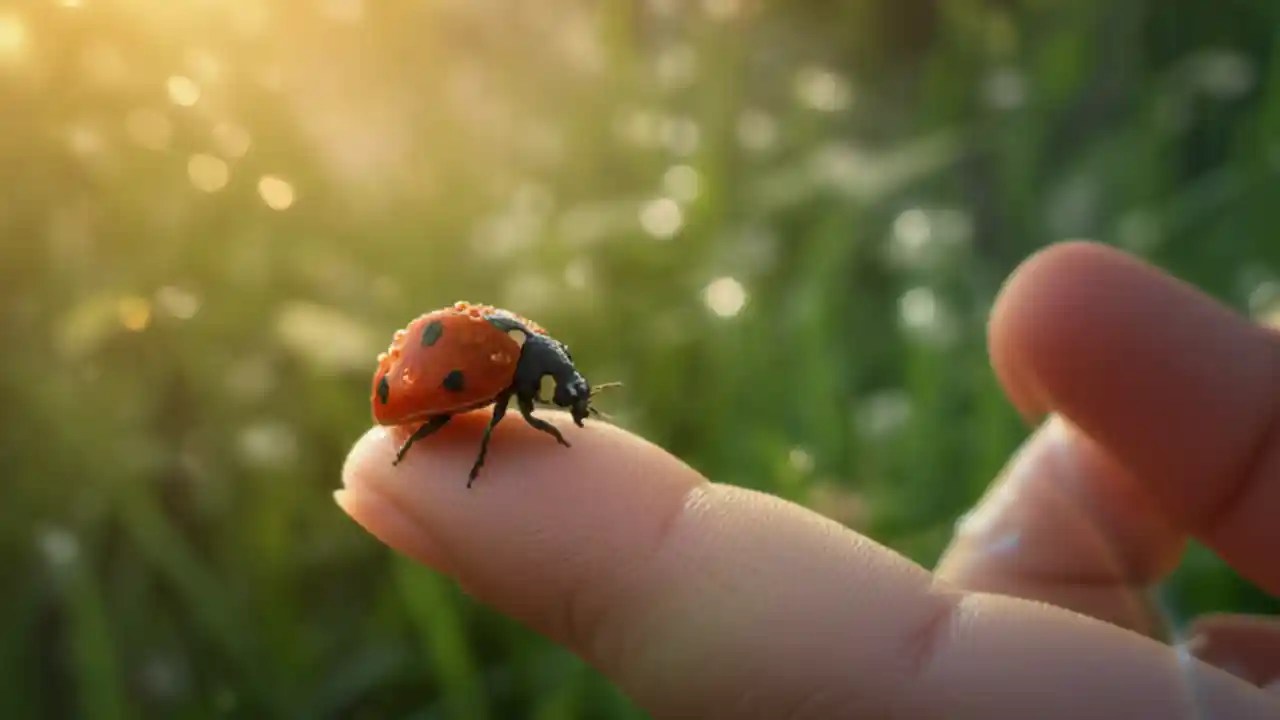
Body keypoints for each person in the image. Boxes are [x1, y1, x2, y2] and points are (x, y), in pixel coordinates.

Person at [336, 242, 1280, 718]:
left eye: (564, 393)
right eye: (565, 396)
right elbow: (493, 397)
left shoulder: (514, 362)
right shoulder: (505, 368)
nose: (567, 404)